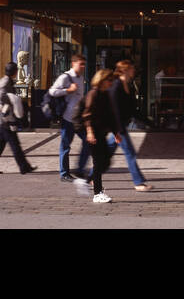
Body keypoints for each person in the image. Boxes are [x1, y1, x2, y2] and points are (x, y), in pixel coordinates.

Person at [72, 68, 118, 203]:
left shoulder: (105, 94)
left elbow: (110, 116)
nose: (111, 83)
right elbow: (87, 114)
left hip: (100, 130)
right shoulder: (94, 93)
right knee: (98, 161)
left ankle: (85, 182)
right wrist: (89, 131)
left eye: (112, 80)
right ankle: (97, 193)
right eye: (109, 80)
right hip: (91, 130)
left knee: (105, 161)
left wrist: (116, 133)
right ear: (102, 80)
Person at [0, 62, 36, 175]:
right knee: (15, 145)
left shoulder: (5, 80)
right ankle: (24, 167)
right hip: (6, 119)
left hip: (3, 119)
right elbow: (3, 97)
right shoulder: (6, 82)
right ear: (14, 72)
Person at [110, 61, 152, 192]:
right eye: (132, 69)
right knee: (130, 153)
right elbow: (114, 109)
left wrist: (148, 121)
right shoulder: (116, 85)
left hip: (121, 125)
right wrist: (117, 129)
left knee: (106, 153)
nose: (134, 71)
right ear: (125, 70)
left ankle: (91, 177)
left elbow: (133, 109)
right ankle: (138, 182)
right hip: (118, 126)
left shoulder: (129, 85)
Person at [50, 55, 91, 181]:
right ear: (73, 63)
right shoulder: (65, 77)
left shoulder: (81, 78)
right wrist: (68, 90)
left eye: (84, 64)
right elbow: (52, 91)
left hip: (78, 119)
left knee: (88, 141)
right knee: (65, 146)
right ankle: (64, 174)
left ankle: (79, 169)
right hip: (67, 118)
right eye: (81, 64)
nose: (83, 66)